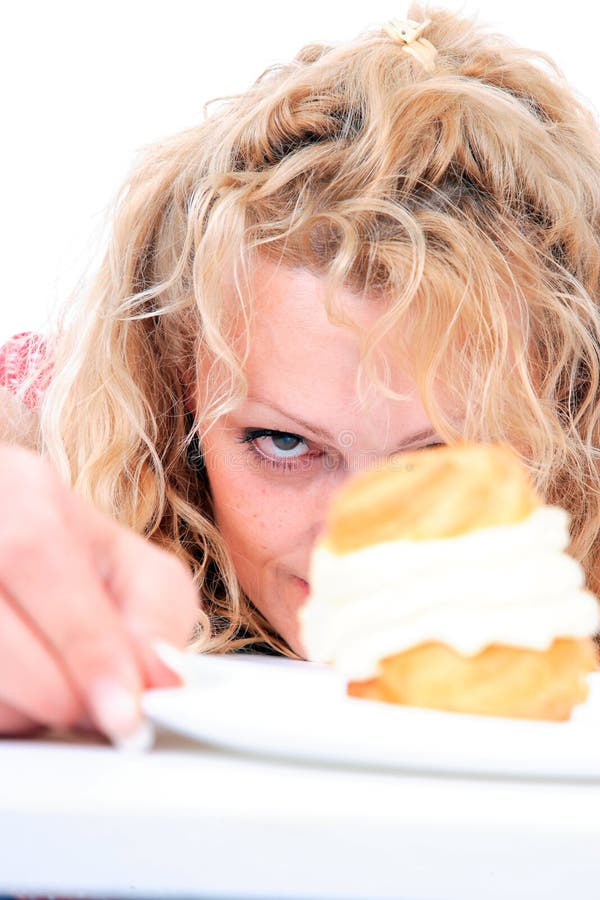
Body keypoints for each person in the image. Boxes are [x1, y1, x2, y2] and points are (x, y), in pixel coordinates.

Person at [1, 4, 599, 744]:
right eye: (284, 443)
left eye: (443, 461)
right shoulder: (54, 455)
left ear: (572, 407)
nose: (357, 547)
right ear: (179, 394)